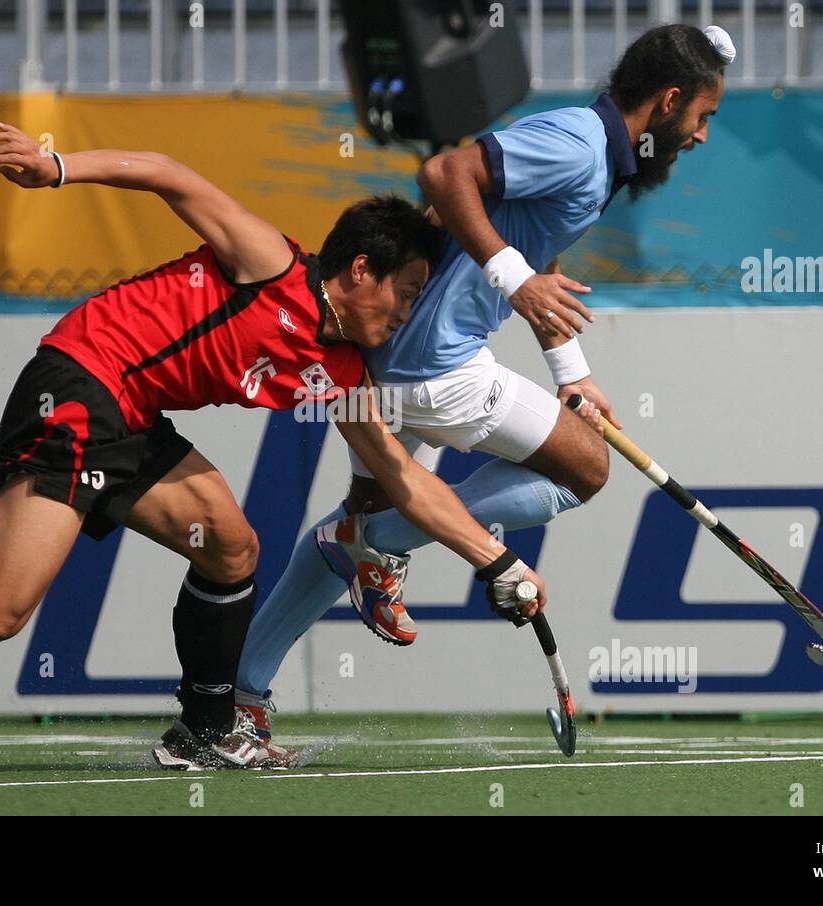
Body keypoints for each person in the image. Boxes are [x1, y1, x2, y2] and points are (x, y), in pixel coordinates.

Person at [0, 124, 550, 771]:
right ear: (358, 270)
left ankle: (205, 733)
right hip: (79, 384)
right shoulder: (272, 265)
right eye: (403, 295)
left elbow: (403, 478)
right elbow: (166, 173)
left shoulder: (339, 363)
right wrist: (57, 168)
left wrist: (492, 561)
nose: (405, 316)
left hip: (130, 416)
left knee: (230, 544)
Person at [235, 23, 733, 741]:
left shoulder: (596, 158)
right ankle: (377, 536)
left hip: (381, 360)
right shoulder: (580, 145)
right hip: (431, 365)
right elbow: (444, 175)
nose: (703, 136)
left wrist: (573, 375)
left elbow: (539, 265)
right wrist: (513, 276)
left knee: (347, 530)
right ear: (669, 100)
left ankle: (239, 697)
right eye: (702, 118)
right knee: (583, 469)